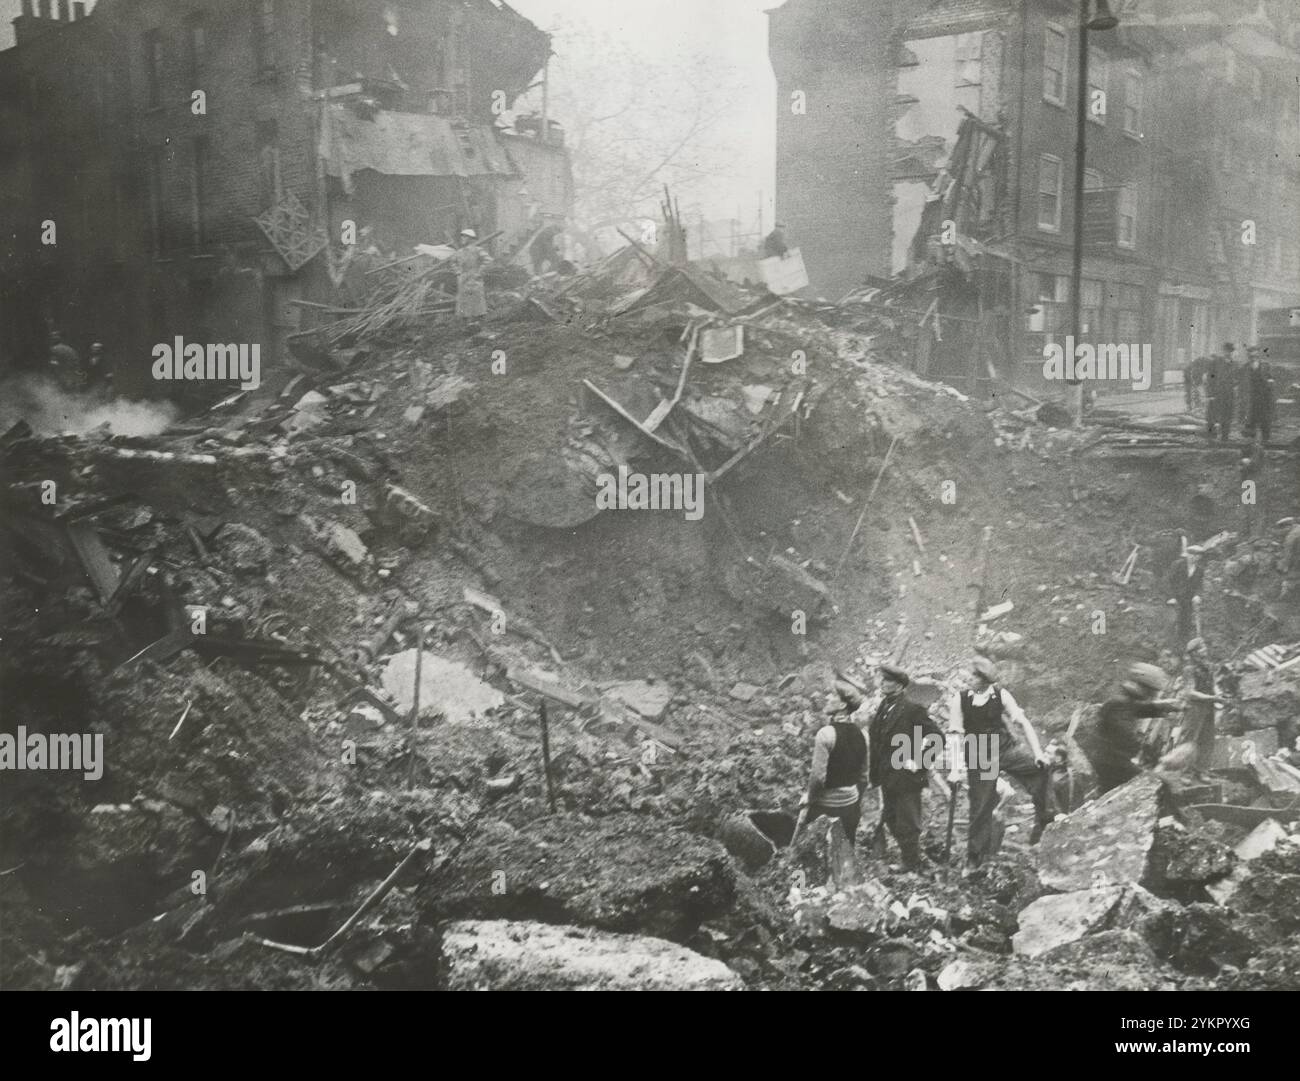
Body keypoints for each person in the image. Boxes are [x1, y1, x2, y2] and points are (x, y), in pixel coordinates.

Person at [946, 657, 1052, 867]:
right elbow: (956, 736)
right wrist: (955, 769)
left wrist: (1038, 752)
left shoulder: (1001, 695)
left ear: (986, 680)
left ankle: (1045, 824)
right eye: (972, 675)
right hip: (978, 752)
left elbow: (1023, 723)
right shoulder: (960, 699)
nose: (971, 679)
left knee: (1039, 769)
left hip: (1003, 748)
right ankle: (976, 858)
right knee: (982, 804)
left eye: (976, 676)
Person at [867, 664, 942, 871]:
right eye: (882, 680)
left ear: (899, 686)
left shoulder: (911, 709)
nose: (882, 683)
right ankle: (910, 857)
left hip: (907, 777)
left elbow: (937, 737)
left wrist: (919, 762)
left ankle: (911, 863)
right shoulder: (885, 707)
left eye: (887, 680)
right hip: (888, 776)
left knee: (908, 821)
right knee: (891, 817)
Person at [1072, 662, 1182, 794]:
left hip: (1110, 761)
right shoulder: (1120, 706)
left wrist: (1160, 707)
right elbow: (1129, 737)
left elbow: (1138, 708)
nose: (1152, 696)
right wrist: (1155, 755)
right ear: (1143, 688)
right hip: (1113, 764)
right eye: (1151, 692)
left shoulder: (1122, 701)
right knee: (1160, 783)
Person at [798, 681, 869, 848]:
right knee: (845, 855)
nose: (828, 697)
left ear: (843, 705)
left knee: (809, 854)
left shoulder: (825, 734)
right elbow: (864, 776)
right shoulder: (863, 735)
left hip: (825, 808)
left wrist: (809, 798)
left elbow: (817, 778)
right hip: (850, 808)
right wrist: (853, 801)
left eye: (833, 695)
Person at [1166, 537, 1204, 647]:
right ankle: (1169, 646)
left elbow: (1199, 585)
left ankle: (1183, 647)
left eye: (1197, 556)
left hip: (1188, 600)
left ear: (1199, 557)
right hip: (1175, 598)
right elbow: (1168, 581)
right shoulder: (1177, 565)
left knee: (1185, 624)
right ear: (1187, 554)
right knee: (1172, 621)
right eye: (1191, 555)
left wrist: (1197, 595)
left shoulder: (1200, 570)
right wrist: (1171, 596)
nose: (1193, 558)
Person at [452, 228, 489, 324]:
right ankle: (466, 323)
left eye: (465, 236)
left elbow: (488, 260)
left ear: (471, 239)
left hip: (474, 278)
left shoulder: (478, 250)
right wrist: (458, 272)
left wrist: (479, 272)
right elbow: (452, 262)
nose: (462, 238)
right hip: (463, 279)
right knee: (464, 302)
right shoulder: (459, 252)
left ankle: (479, 323)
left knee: (477, 301)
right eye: (462, 236)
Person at [1241, 346, 1275, 447]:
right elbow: (1242, 382)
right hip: (1251, 397)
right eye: (1251, 356)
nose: (1253, 357)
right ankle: (1252, 441)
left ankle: (1266, 439)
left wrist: (1270, 384)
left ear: (1258, 355)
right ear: (1248, 356)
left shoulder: (1265, 366)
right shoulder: (1245, 367)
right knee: (1251, 418)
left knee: (1265, 418)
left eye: (1255, 355)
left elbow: (1271, 378)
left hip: (1264, 397)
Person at [1205, 344, 1236, 442]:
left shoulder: (1234, 364)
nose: (1228, 353)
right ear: (1223, 351)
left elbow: (1237, 378)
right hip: (1216, 394)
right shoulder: (1216, 362)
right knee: (1212, 416)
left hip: (1228, 395)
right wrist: (1210, 394)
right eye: (1226, 351)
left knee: (1227, 416)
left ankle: (1225, 437)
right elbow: (1210, 378)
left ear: (1232, 352)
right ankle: (1210, 438)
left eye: (1230, 351)